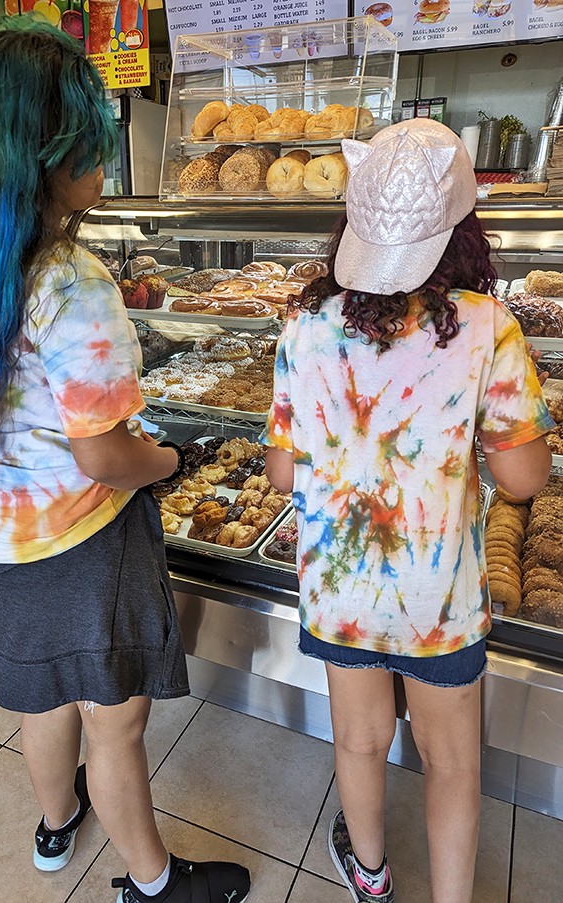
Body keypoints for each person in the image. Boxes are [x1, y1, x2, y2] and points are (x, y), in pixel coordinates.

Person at [0, 17, 250, 903]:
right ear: (46, 156)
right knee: (118, 718)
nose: (104, 169)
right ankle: (153, 881)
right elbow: (105, 454)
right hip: (74, 548)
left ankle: (57, 824)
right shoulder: (72, 281)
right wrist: (167, 460)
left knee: (41, 699)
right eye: (92, 148)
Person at [262, 118, 553, 903]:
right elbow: (524, 478)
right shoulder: (489, 327)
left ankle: (370, 873)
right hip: (440, 598)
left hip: (340, 589)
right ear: (462, 229)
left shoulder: (303, 326)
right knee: (452, 762)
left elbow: (284, 471)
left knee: (359, 741)